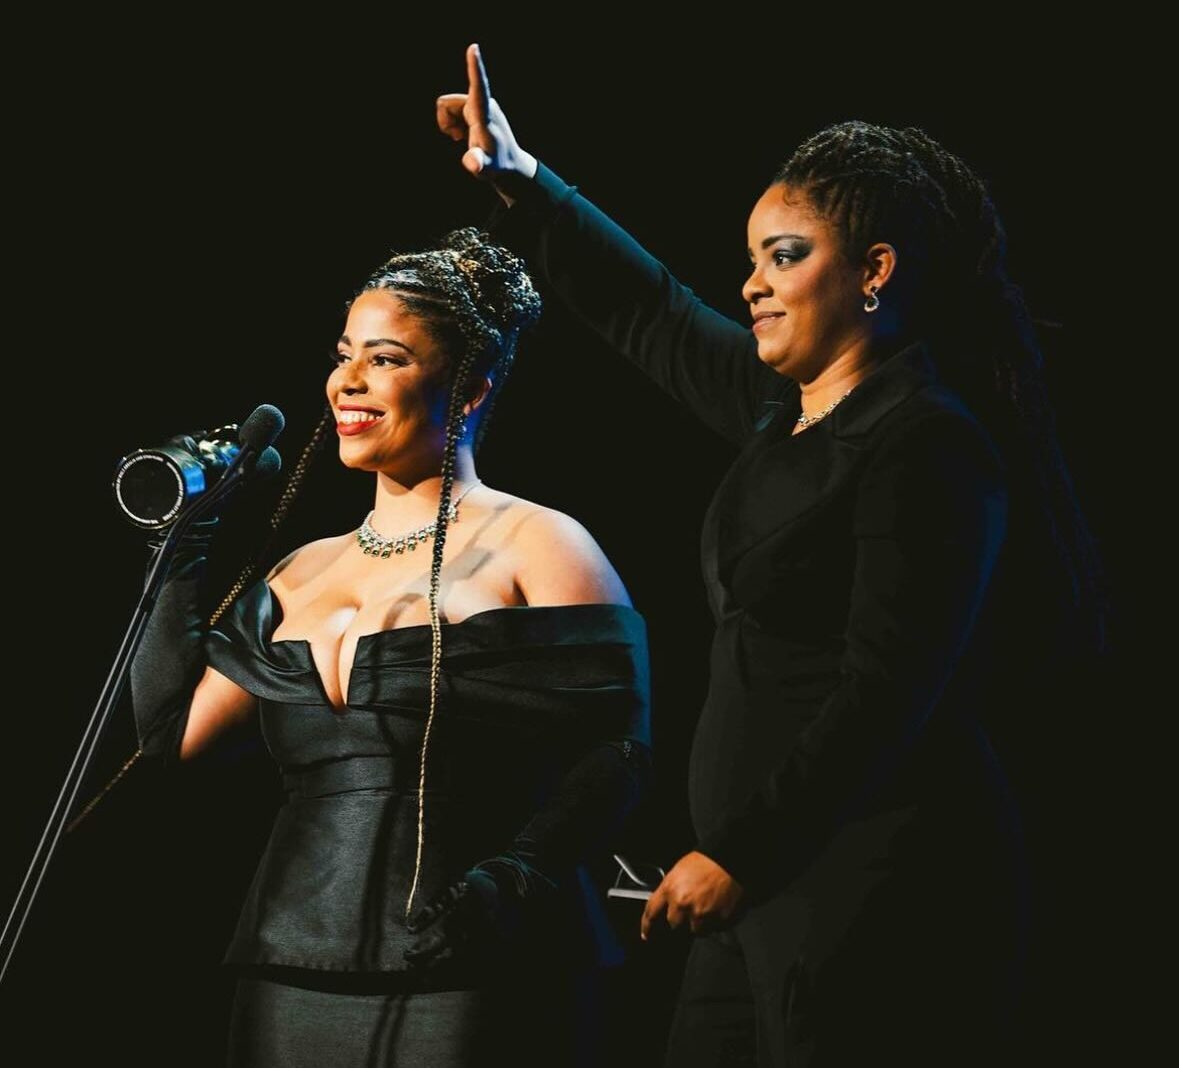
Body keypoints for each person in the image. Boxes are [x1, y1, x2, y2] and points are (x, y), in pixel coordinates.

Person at [435, 44, 1106, 1067]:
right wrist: (524, 180)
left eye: (784, 257)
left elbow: (890, 688)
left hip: (879, 884)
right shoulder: (776, 414)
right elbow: (653, 308)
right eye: (752, 258)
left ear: (875, 271)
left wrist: (741, 852)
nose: (751, 284)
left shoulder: (927, 444)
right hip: (755, 888)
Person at [127, 226, 653, 1067]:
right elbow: (170, 739)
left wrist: (516, 878)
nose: (349, 380)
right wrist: (181, 559)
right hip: (290, 962)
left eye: (387, 359)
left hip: (473, 957)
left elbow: (618, 751)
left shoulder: (539, 542)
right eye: (344, 355)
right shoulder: (300, 572)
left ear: (471, 388)